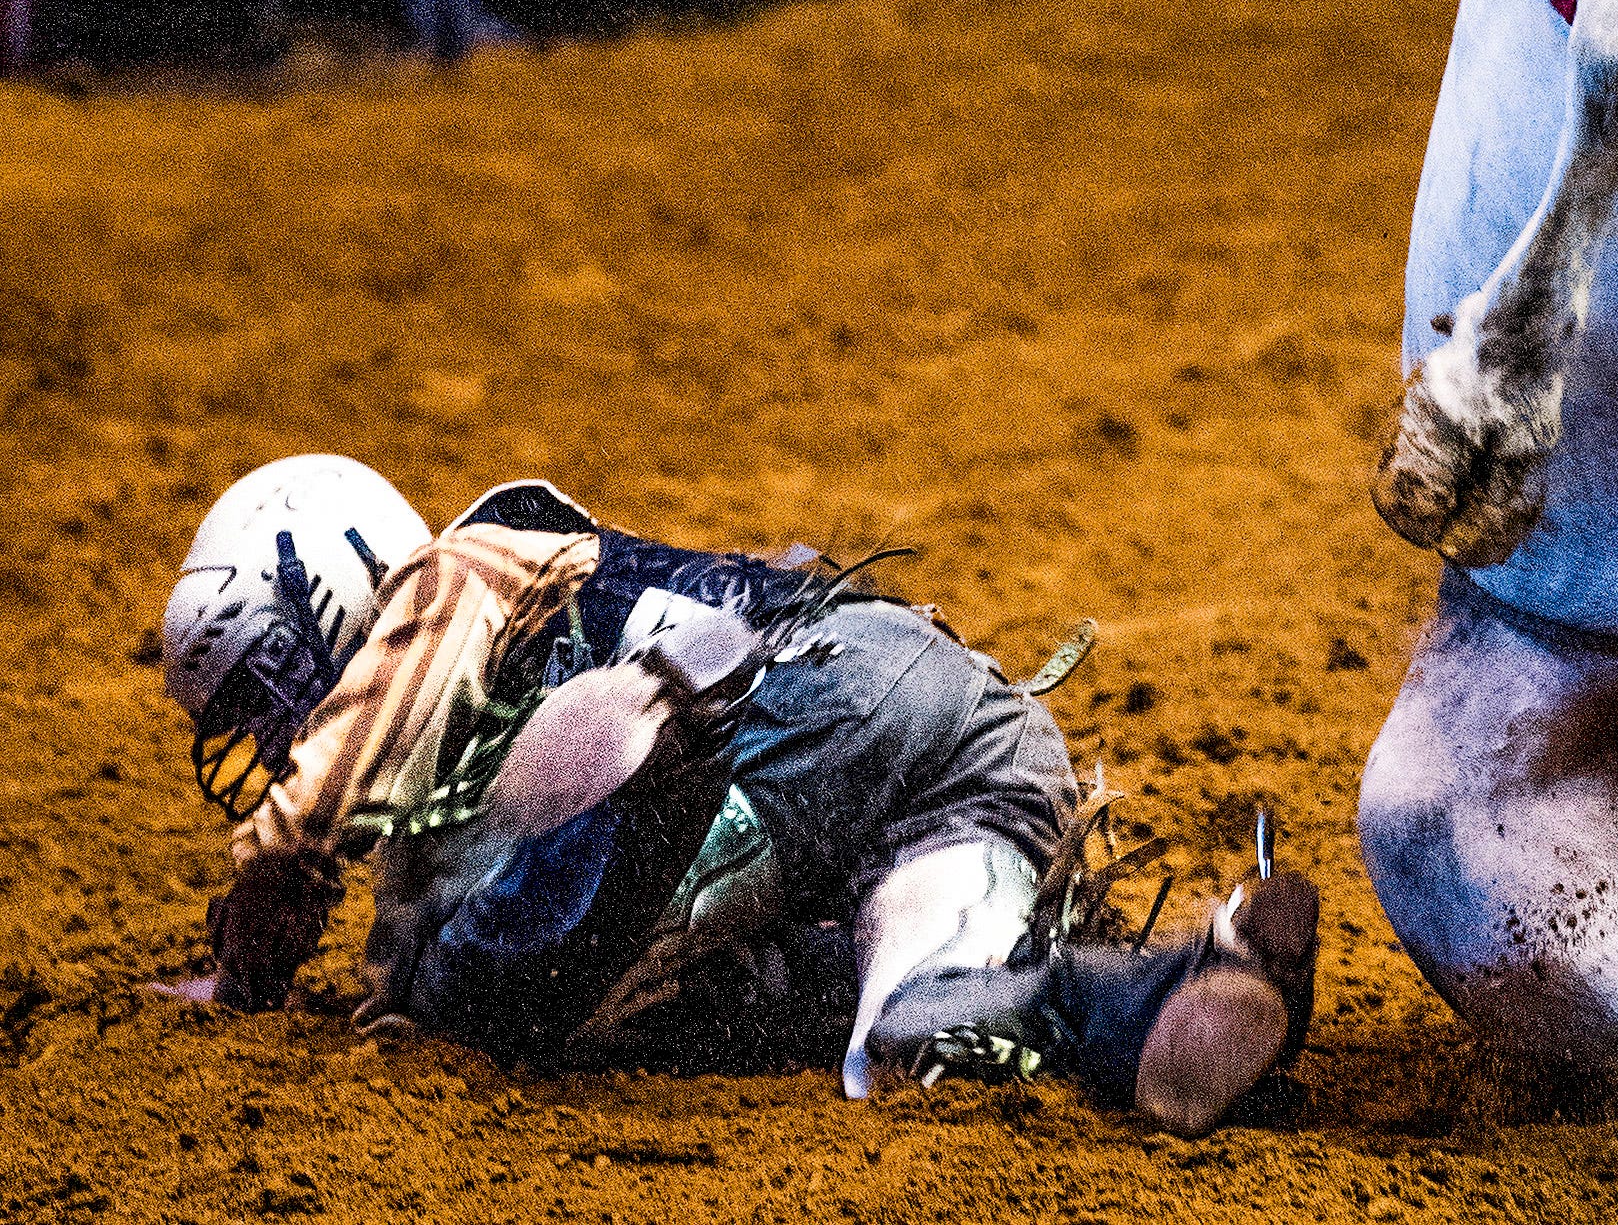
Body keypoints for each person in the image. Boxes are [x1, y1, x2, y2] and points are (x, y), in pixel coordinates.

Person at [158, 455, 1318, 1134]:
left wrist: (265, 911)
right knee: (907, 1031)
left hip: (809, 707)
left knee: (467, 991)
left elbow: (341, 776)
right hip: (971, 744)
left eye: (263, 681)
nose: (264, 727)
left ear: (334, 583)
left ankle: (668, 738)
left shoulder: (460, 568)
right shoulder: (443, 808)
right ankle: (1183, 987)